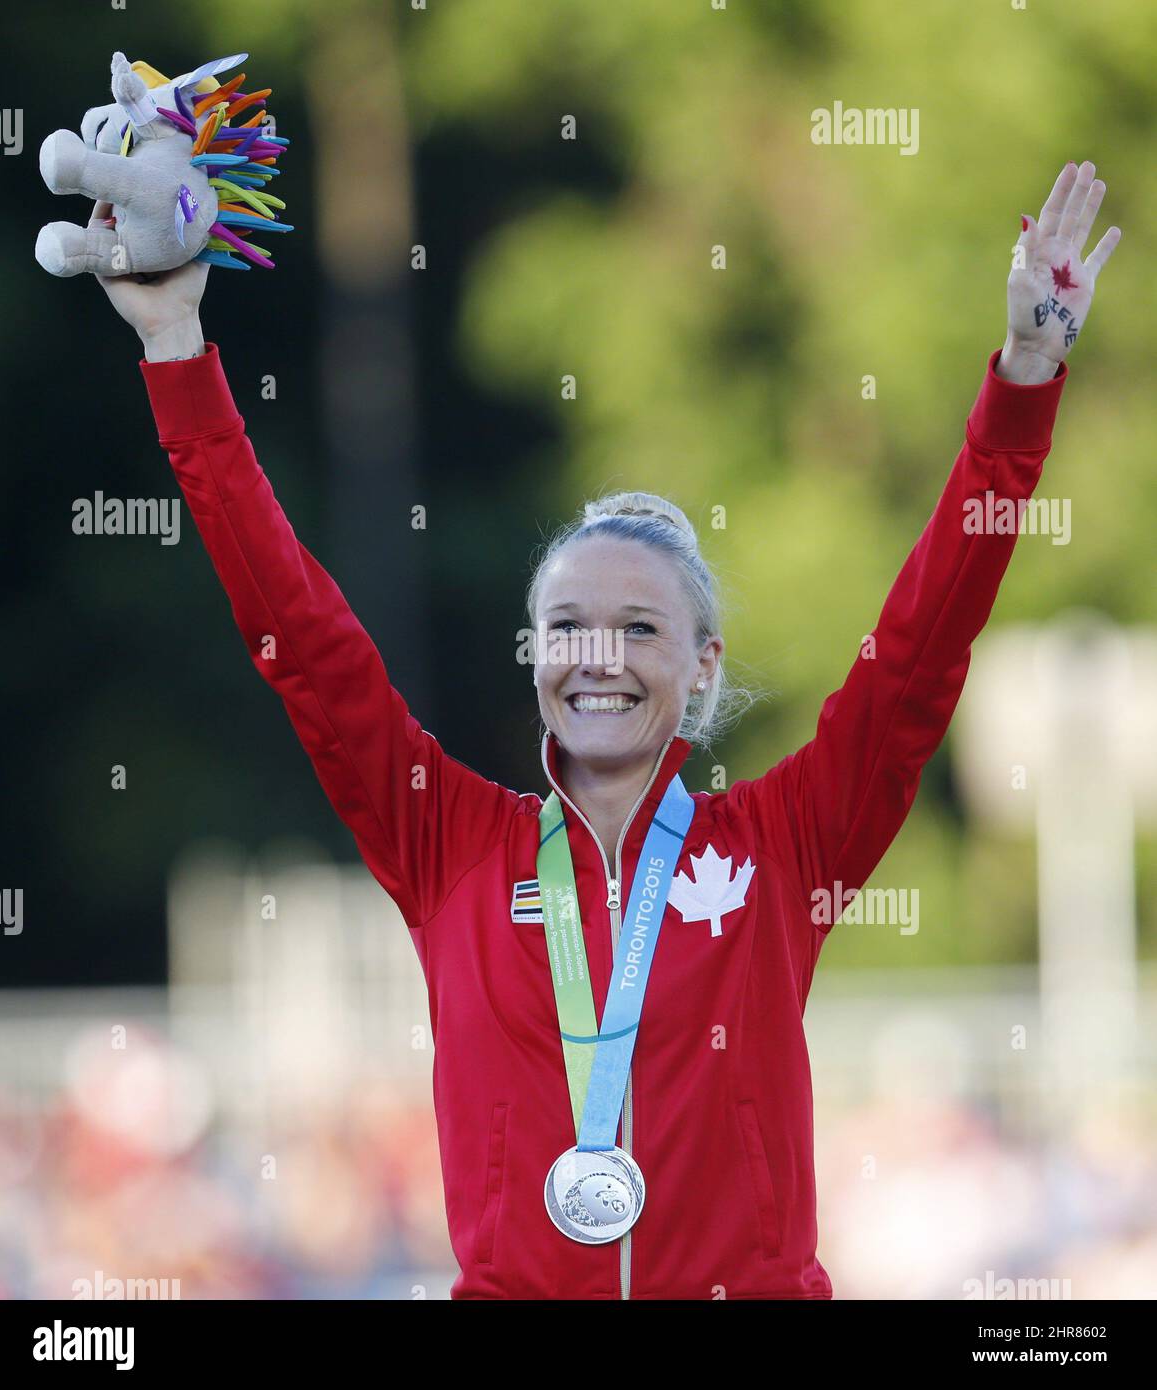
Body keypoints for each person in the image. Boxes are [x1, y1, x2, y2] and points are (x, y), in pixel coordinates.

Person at [95, 160, 1118, 1299]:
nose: (599, 658)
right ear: (535, 653)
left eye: (639, 627)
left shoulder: (783, 847)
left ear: (703, 663)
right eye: (568, 625)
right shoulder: (452, 848)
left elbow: (922, 654)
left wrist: (1023, 381)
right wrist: (177, 349)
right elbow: (304, 643)